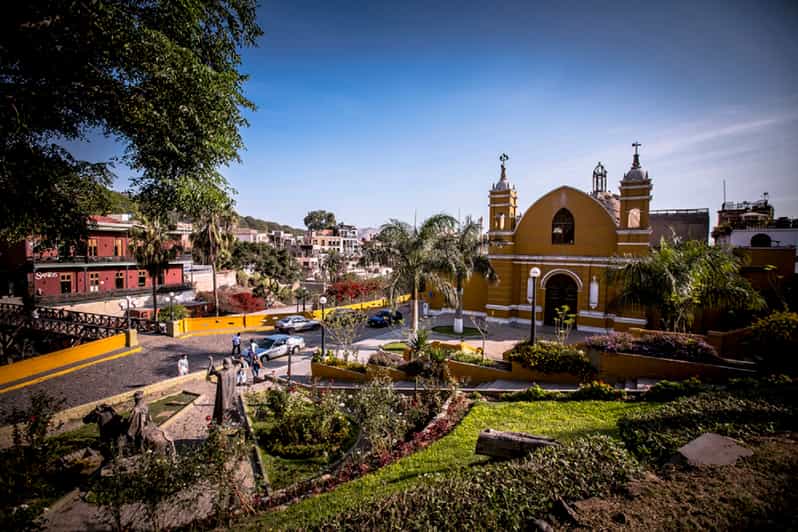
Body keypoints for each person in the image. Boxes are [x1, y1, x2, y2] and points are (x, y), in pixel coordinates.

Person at [207, 357, 237, 424]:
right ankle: (230, 421)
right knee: (231, 408)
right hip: (232, 396)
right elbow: (241, 363)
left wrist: (211, 361)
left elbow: (211, 371)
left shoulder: (220, 373)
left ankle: (222, 422)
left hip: (223, 397)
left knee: (222, 409)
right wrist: (234, 360)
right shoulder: (234, 370)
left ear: (224, 364)